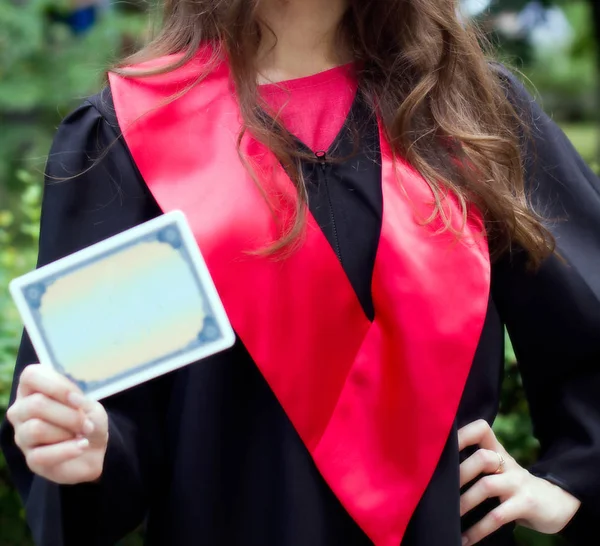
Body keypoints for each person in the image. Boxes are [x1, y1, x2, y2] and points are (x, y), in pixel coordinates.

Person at [1, 0, 599, 545]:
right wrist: (85, 446)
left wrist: (570, 482)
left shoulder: (462, 113)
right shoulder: (130, 134)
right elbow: (97, 420)